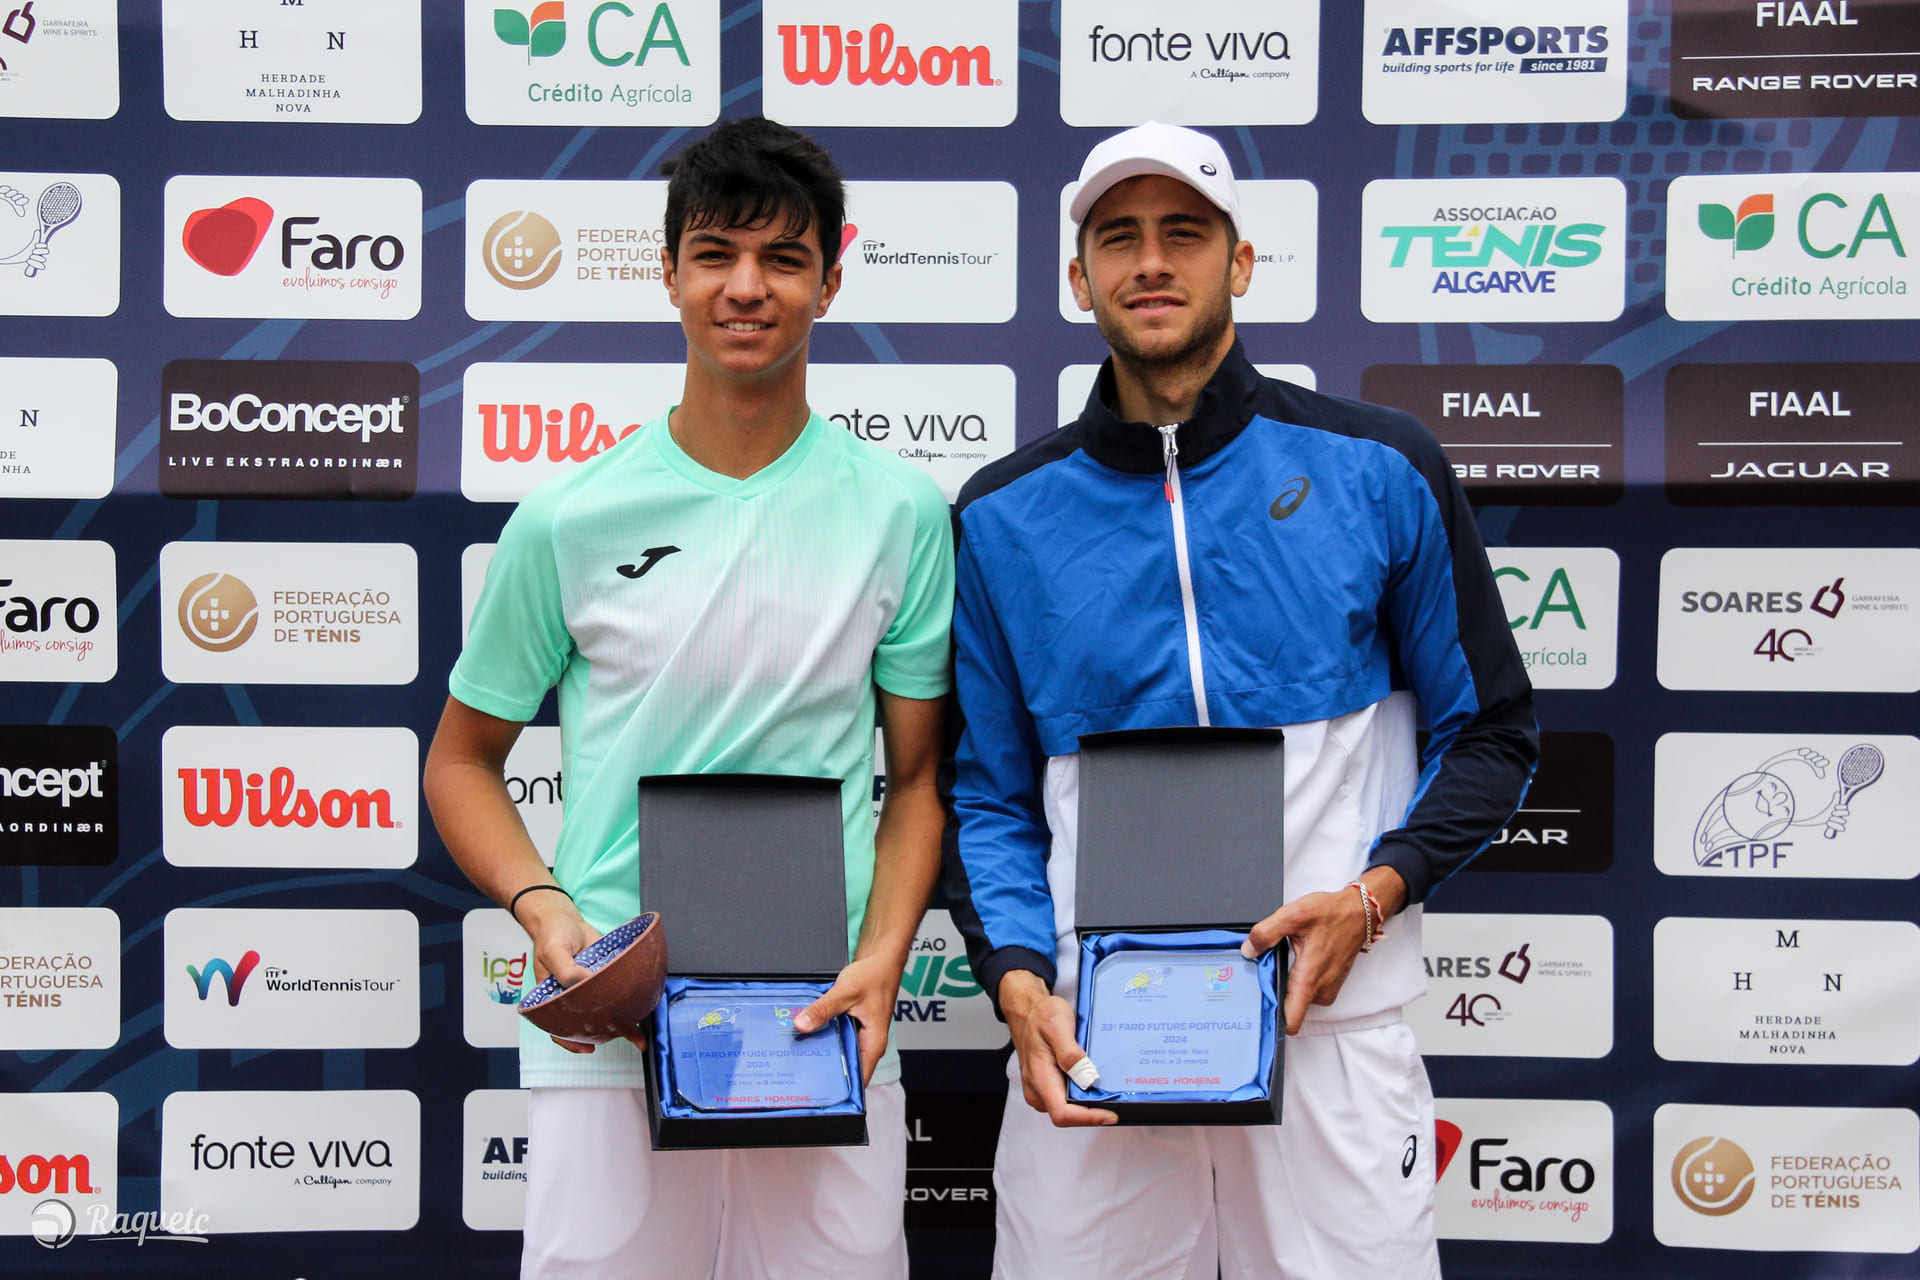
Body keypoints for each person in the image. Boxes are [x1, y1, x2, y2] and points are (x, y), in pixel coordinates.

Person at [944, 121, 1538, 1279]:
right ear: (1078, 279)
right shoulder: (1003, 514)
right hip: (1092, 1035)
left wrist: (1371, 897)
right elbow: (986, 795)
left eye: (1184, 232)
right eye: (1119, 238)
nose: (1150, 262)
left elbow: (1492, 733)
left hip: (1331, 1025)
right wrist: (1017, 976)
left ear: (1242, 262)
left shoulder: (1379, 466)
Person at [424, 116, 954, 1280]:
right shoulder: (568, 517)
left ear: (830, 279)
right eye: (714, 253)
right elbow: (461, 760)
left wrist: (883, 957)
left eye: (783, 258)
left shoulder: (902, 512)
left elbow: (917, 780)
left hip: (825, 1018)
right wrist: (545, 908)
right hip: (612, 1021)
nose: (746, 287)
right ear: (668, 273)